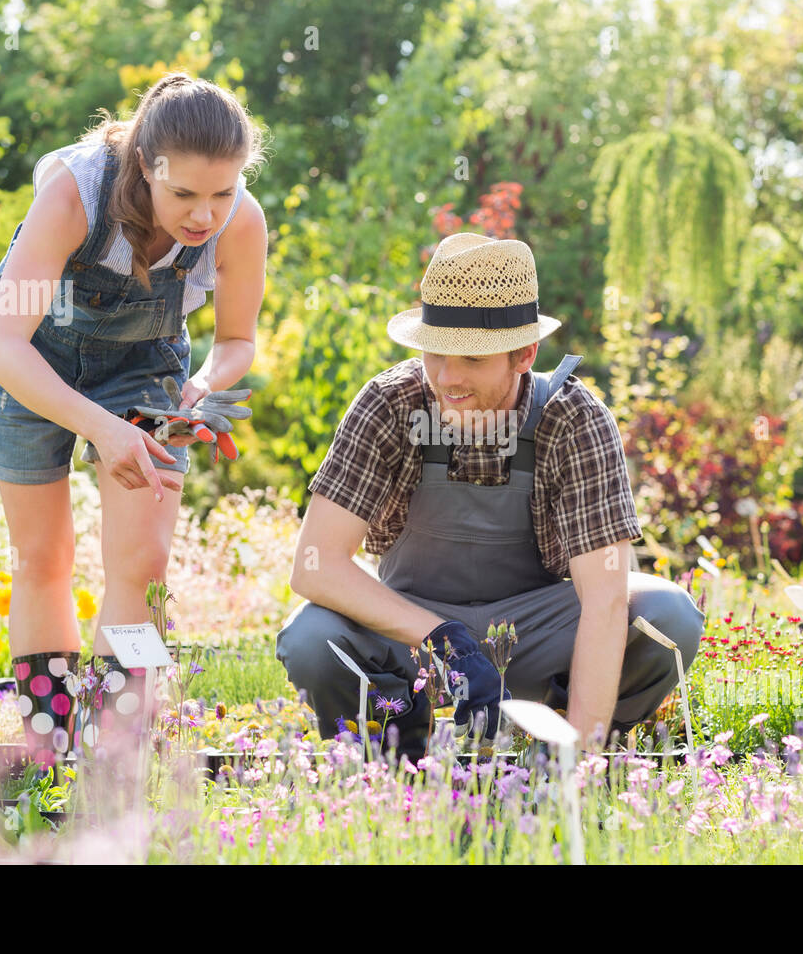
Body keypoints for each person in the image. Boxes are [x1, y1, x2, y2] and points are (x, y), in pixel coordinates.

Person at [277, 232, 703, 763]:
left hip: (534, 635)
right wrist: (445, 639)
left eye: (472, 359)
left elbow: (605, 598)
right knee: (311, 637)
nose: (447, 378)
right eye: (435, 353)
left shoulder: (574, 419)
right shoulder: (390, 404)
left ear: (524, 353)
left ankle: (556, 754)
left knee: (670, 616)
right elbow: (315, 567)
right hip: (415, 634)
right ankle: (396, 761)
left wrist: (577, 761)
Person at [0, 73, 267, 768]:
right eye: (185, 195)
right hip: (34, 360)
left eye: (223, 194)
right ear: (145, 166)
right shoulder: (75, 193)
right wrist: (103, 429)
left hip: (148, 366)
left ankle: (112, 757)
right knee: (42, 558)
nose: (205, 216)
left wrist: (196, 389)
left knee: (143, 563)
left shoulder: (241, 221)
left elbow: (237, 342)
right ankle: (52, 754)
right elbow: (4, 349)